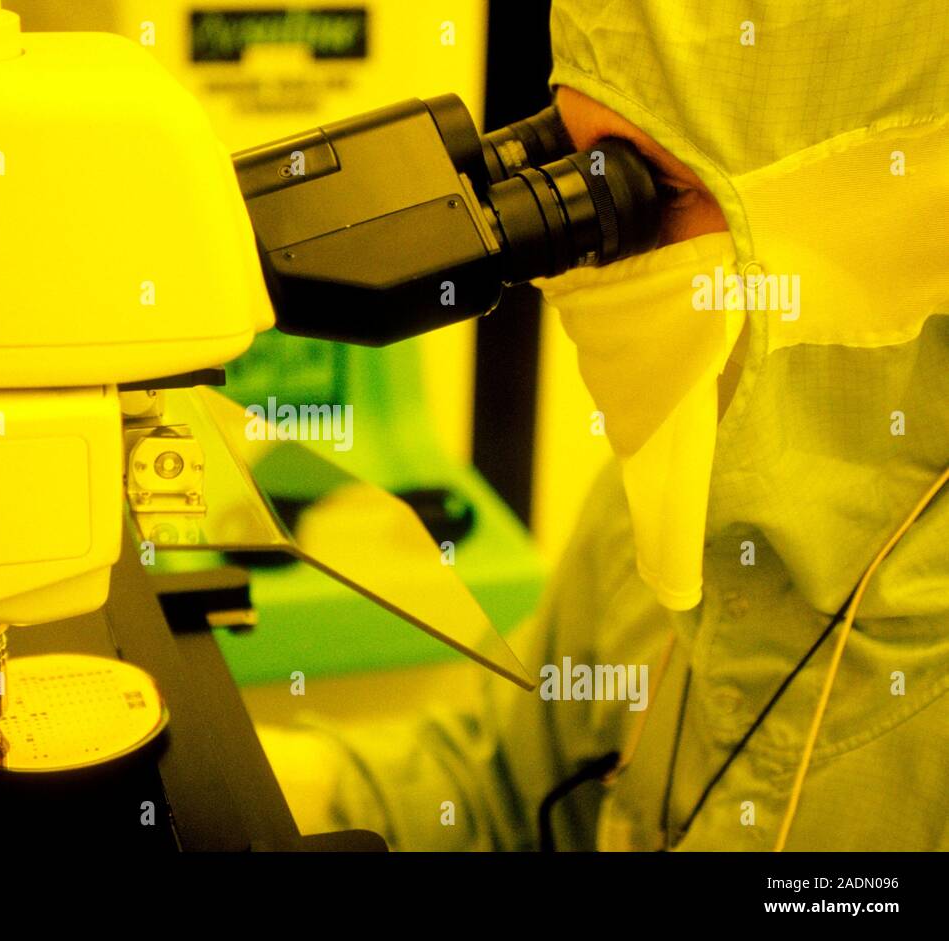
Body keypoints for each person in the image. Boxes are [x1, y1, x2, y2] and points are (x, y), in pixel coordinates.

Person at [260, 0, 949, 851]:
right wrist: (275, 788)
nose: (591, 269)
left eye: (641, 187)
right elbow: (500, 784)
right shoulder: (666, 485)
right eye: (568, 158)